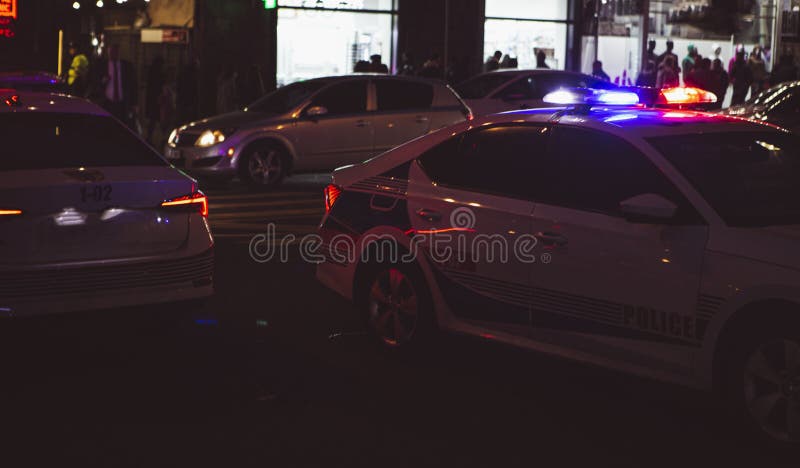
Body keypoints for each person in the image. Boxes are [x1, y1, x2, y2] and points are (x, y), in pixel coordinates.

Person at [91, 44, 138, 128]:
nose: (113, 54)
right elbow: (95, 82)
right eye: (111, 52)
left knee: (122, 125)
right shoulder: (102, 66)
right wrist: (103, 80)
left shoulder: (126, 66)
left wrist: (134, 103)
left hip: (122, 103)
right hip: (107, 102)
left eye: (115, 52)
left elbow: (133, 85)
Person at [144, 56, 165, 144]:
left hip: (152, 99)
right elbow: (158, 86)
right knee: (156, 120)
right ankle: (157, 138)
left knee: (153, 121)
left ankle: (151, 138)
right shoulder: (158, 74)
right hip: (156, 100)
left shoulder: (151, 72)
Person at [176, 57, 200, 126]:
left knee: (182, 120)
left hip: (183, 100)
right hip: (188, 100)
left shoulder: (183, 74)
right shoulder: (192, 77)